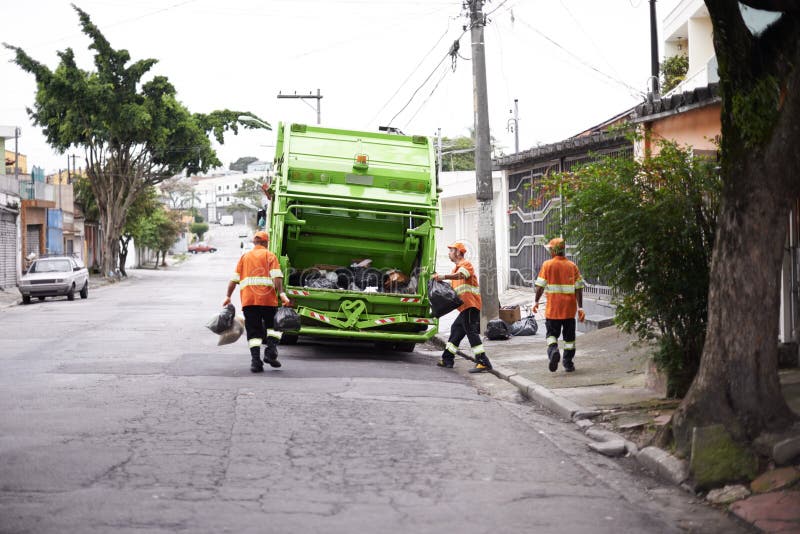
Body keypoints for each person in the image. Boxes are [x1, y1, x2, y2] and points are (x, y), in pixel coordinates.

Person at [223, 231, 291, 373]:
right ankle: (270, 352)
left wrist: (228, 296)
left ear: (254, 243)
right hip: (268, 300)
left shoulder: (244, 257)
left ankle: (256, 363)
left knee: (253, 332)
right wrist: (282, 294)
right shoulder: (269, 255)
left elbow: (234, 280)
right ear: (266, 242)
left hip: (249, 302)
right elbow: (276, 277)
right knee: (274, 328)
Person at [432, 242, 493, 373]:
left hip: (471, 305)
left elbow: (461, 275)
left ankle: (483, 361)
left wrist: (442, 276)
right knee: (456, 329)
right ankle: (447, 359)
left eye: (451, 251)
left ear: (458, 252)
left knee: (471, 331)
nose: (449, 253)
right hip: (465, 307)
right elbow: (453, 286)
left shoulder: (466, 265)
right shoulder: (455, 269)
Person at [532, 237, 585, 373]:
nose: (549, 251)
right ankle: (568, 363)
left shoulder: (547, 265)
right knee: (569, 339)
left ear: (554, 250)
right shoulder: (572, 266)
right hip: (569, 310)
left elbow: (540, 287)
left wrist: (536, 301)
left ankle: (553, 350)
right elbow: (579, 288)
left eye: (550, 249)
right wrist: (580, 307)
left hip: (553, 310)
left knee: (551, 335)